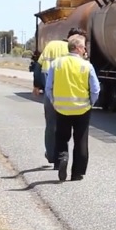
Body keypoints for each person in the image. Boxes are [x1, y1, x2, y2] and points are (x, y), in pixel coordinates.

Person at [45, 34, 100, 182]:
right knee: (80, 140)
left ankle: (62, 158)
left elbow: (49, 87)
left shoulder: (56, 64)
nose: (84, 50)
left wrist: (54, 102)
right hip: (82, 109)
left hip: (62, 109)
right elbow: (95, 89)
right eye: (83, 47)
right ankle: (77, 173)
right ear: (76, 48)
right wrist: (91, 103)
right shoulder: (87, 66)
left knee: (62, 137)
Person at [35, 27, 89, 166]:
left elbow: (38, 65)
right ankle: (65, 159)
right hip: (72, 96)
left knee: (51, 125)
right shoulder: (77, 52)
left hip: (51, 93)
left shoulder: (52, 45)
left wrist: (36, 85)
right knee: (71, 130)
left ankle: (54, 156)